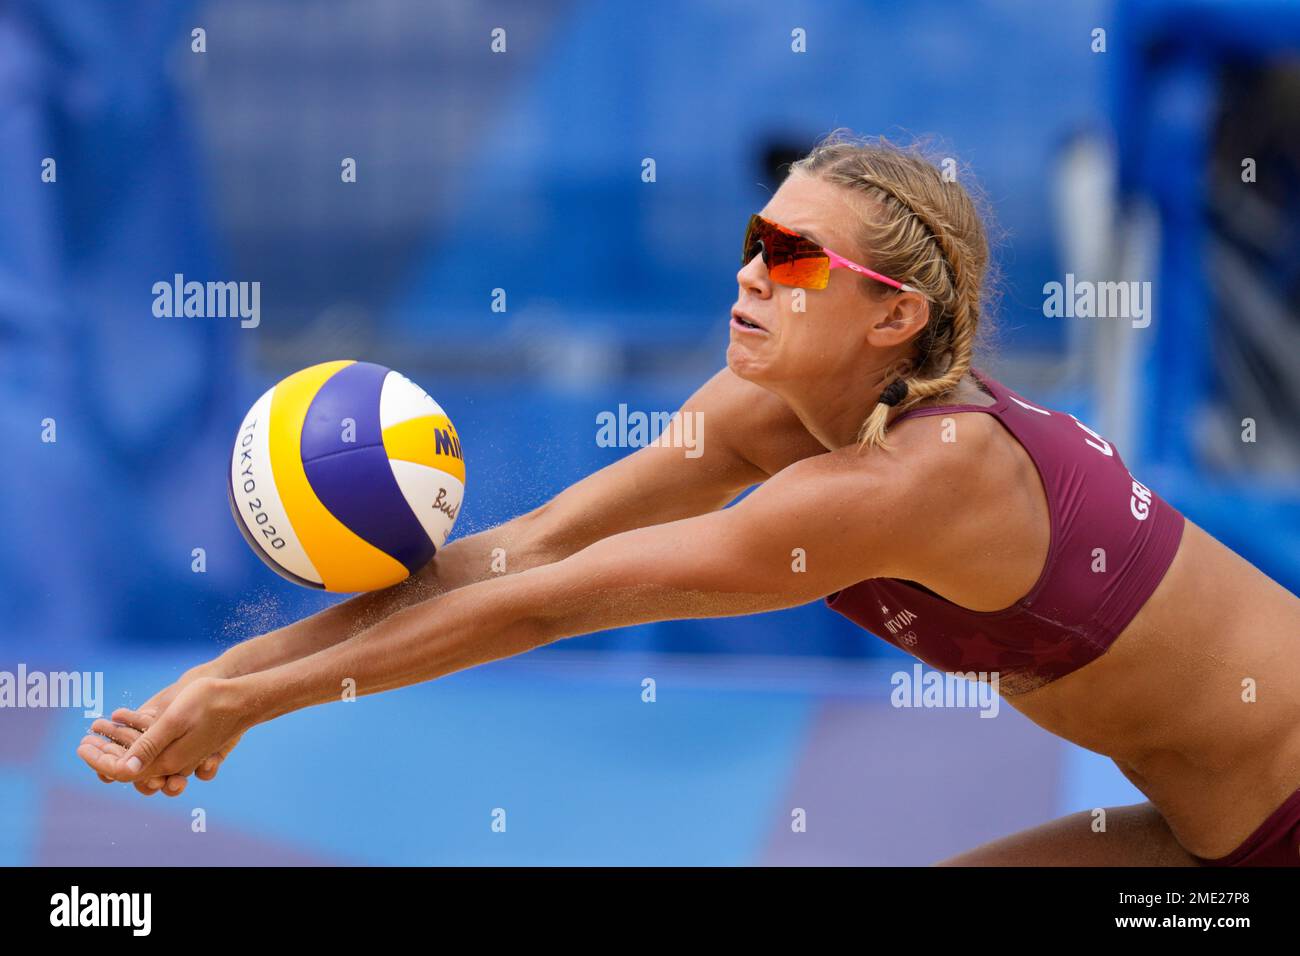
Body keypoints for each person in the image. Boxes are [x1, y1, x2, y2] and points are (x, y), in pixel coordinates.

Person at [78, 132, 1300, 866]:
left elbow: (545, 610)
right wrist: (222, 679)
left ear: (894, 316)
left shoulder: (923, 479)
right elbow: (522, 552)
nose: (749, 274)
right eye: (756, 238)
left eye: (794, 259)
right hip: (1204, 833)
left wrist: (258, 703)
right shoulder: (764, 412)